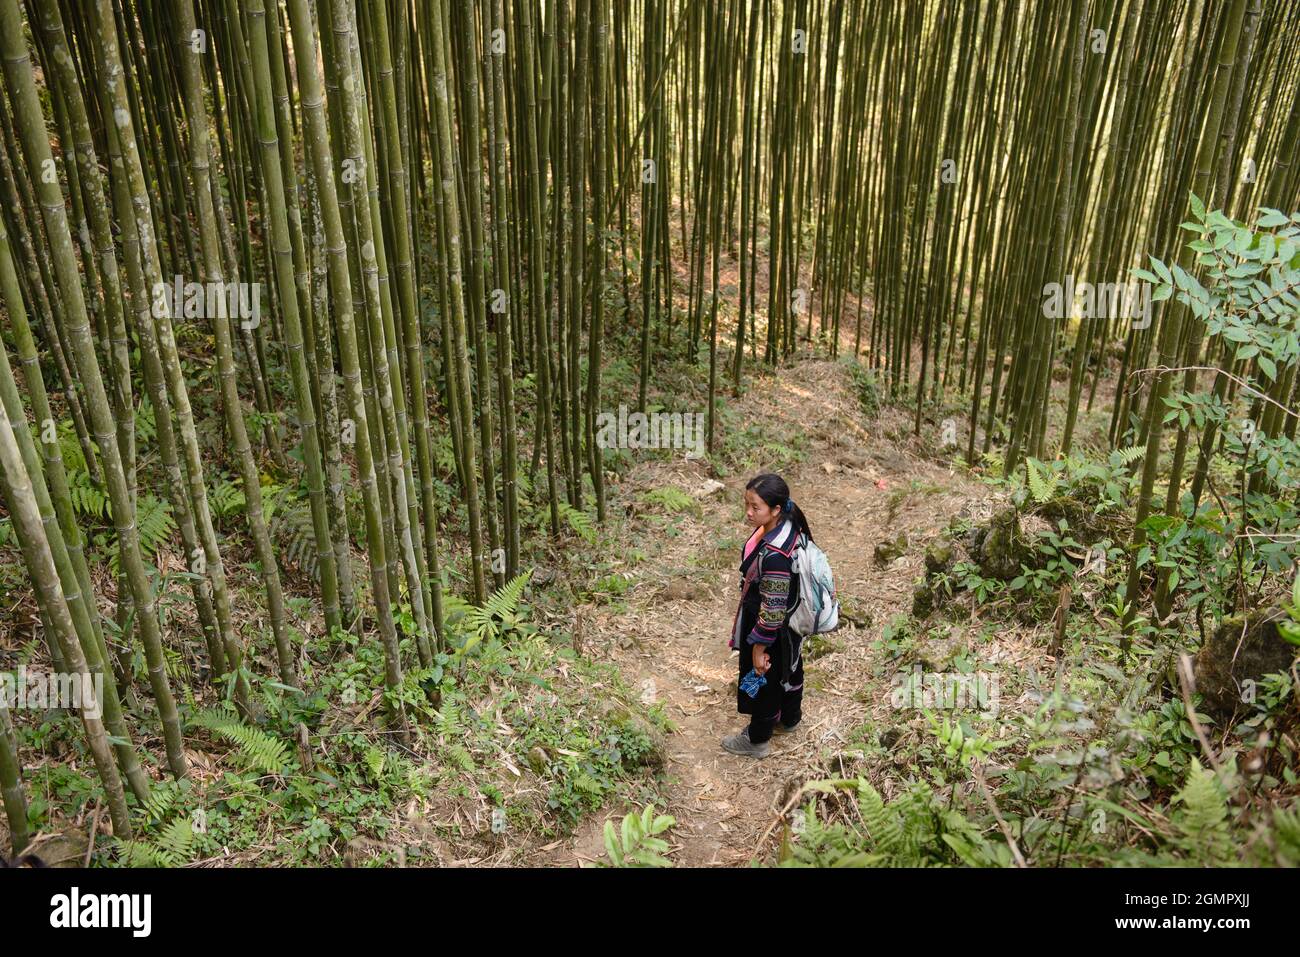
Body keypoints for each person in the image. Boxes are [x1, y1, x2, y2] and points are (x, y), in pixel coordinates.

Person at [721, 473, 813, 759]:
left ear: (775, 509)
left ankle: (758, 738)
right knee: (789, 667)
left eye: (755, 507)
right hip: (789, 623)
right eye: (746, 504)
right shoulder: (789, 526)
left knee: (760, 675)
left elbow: (772, 609)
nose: (749, 512)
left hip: (768, 626)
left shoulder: (774, 552)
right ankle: (789, 719)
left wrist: (758, 647)